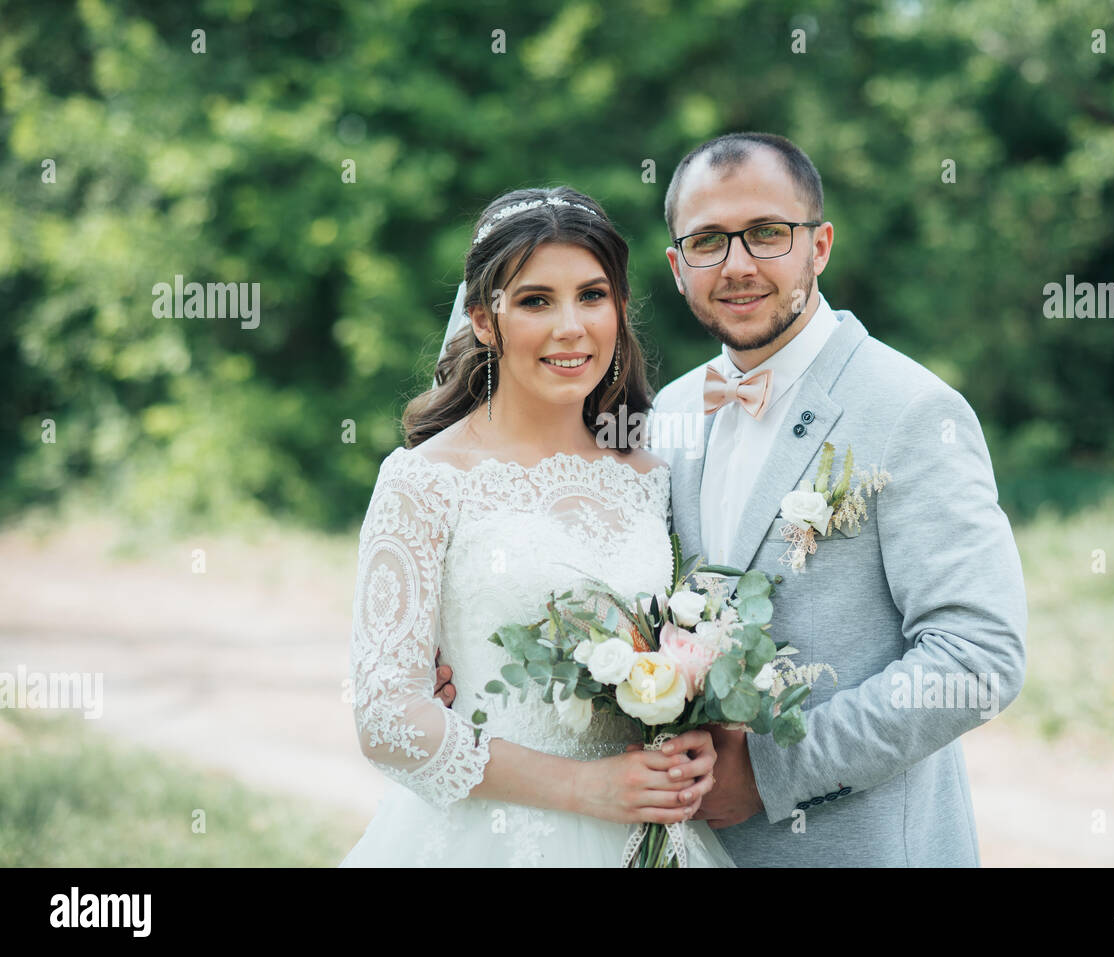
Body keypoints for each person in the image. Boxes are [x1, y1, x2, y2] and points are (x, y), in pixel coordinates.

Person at [650, 132, 1029, 866]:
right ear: (676, 265)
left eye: (766, 233)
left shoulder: (914, 409)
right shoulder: (666, 412)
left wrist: (767, 774)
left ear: (819, 245)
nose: (737, 265)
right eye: (707, 241)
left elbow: (978, 658)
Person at [340, 186, 732, 867]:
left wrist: (697, 737)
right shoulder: (424, 480)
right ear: (484, 321)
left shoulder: (650, 475)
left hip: (647, 838)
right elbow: (386, 719)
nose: (571, 327)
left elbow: (681, 647)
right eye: (535, 300)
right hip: (486, 837)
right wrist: (589, 789)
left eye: (592, 295)